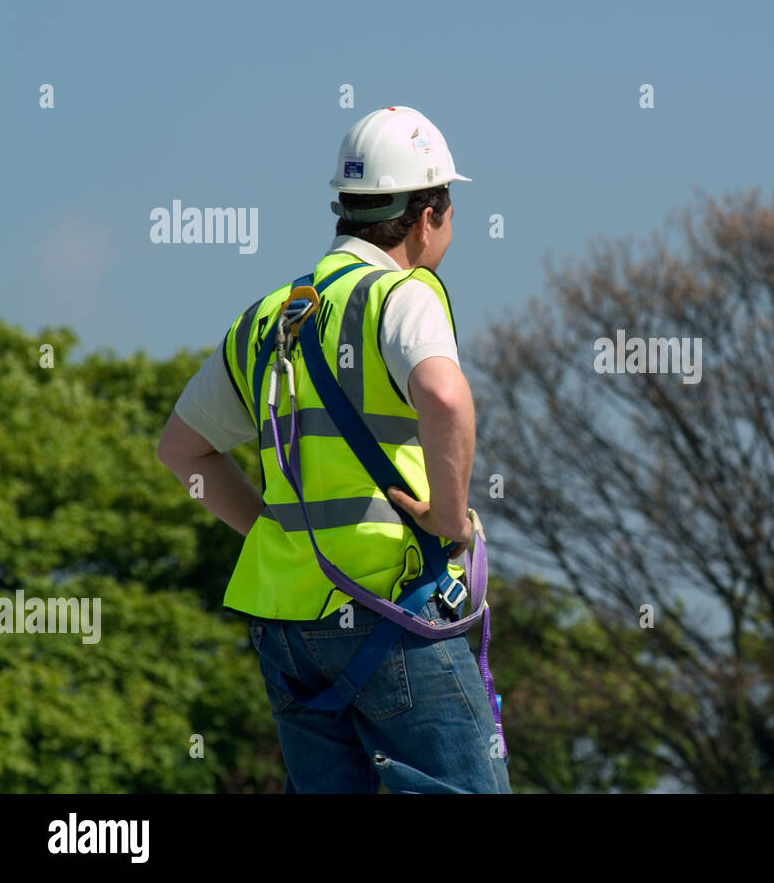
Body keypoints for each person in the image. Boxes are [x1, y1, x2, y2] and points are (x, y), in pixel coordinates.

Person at [157, 105, 510, 793]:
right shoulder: (402, 294)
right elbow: (444, 395)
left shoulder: (270, 316)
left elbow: (182, 451)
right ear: (427, 212)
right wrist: (449, 517)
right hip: (392, 603)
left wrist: (273, 526)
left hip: (288, 631)